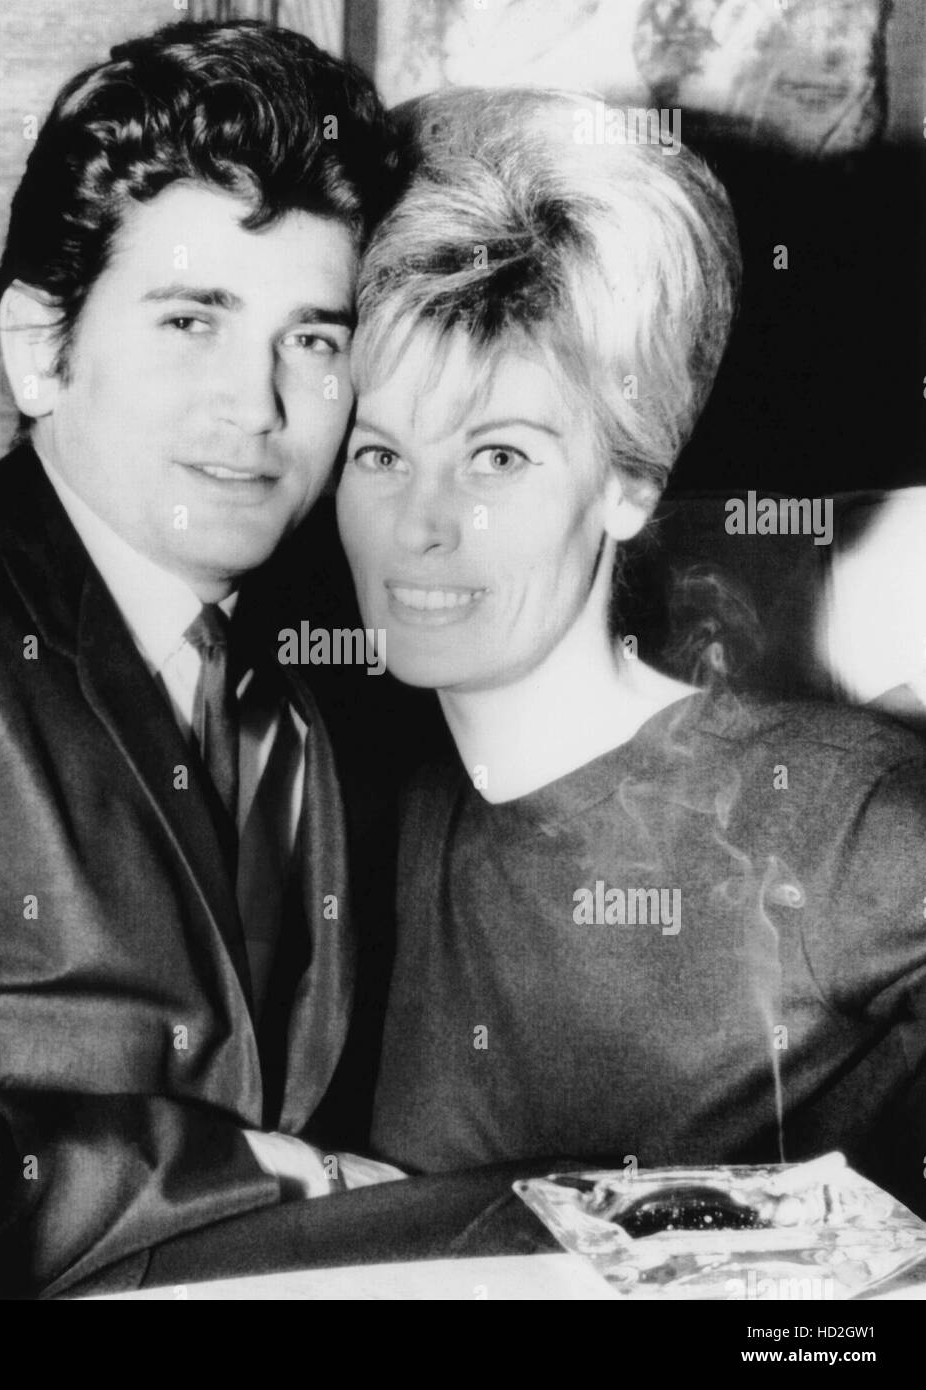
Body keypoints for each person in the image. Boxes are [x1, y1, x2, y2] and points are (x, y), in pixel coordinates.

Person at [0, 19, 406, 1299]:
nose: (257, 405)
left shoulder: (311, 675)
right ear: (41, 348)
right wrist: (268, 1177)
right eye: (189, 321)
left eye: (312, 339)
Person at [336, 87, 926, 1216]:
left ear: (627, 483)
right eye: (378, 455)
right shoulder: (359, 812)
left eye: (497, 456)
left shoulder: (840, 821)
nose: (421, 520)